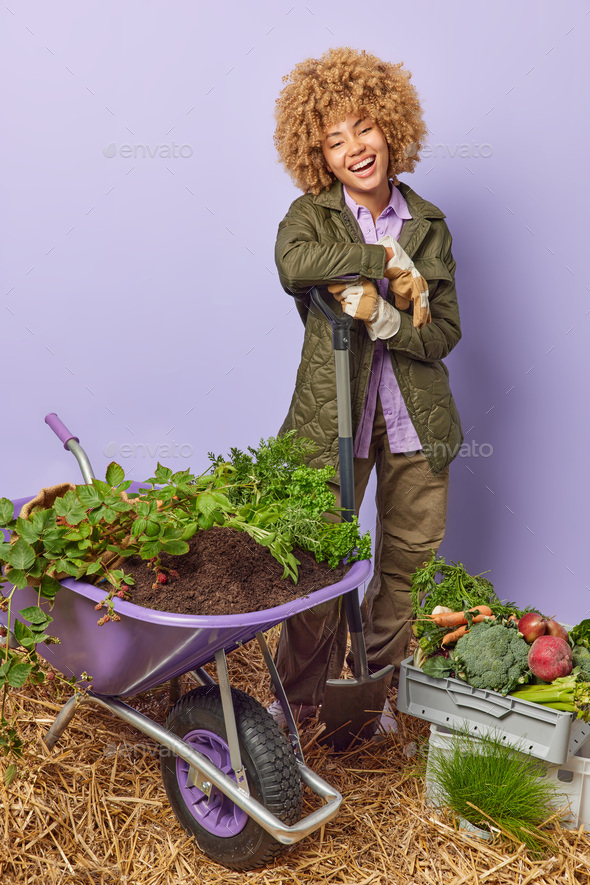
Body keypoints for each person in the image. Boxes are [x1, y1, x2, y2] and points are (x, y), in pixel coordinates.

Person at [270, 47, 463, 724]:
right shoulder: (310, 218)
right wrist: (381, 256)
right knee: (318, 567)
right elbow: (294, 266)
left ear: (391, 127)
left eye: (365, 127)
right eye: (334, 139)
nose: (354, 147)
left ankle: (373, 699)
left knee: (404, 571)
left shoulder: (429, 223)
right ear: (318, 156)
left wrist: (385, 318)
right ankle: (298, 702)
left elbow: (443, 333)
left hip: (417, 422)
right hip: (332, 424)